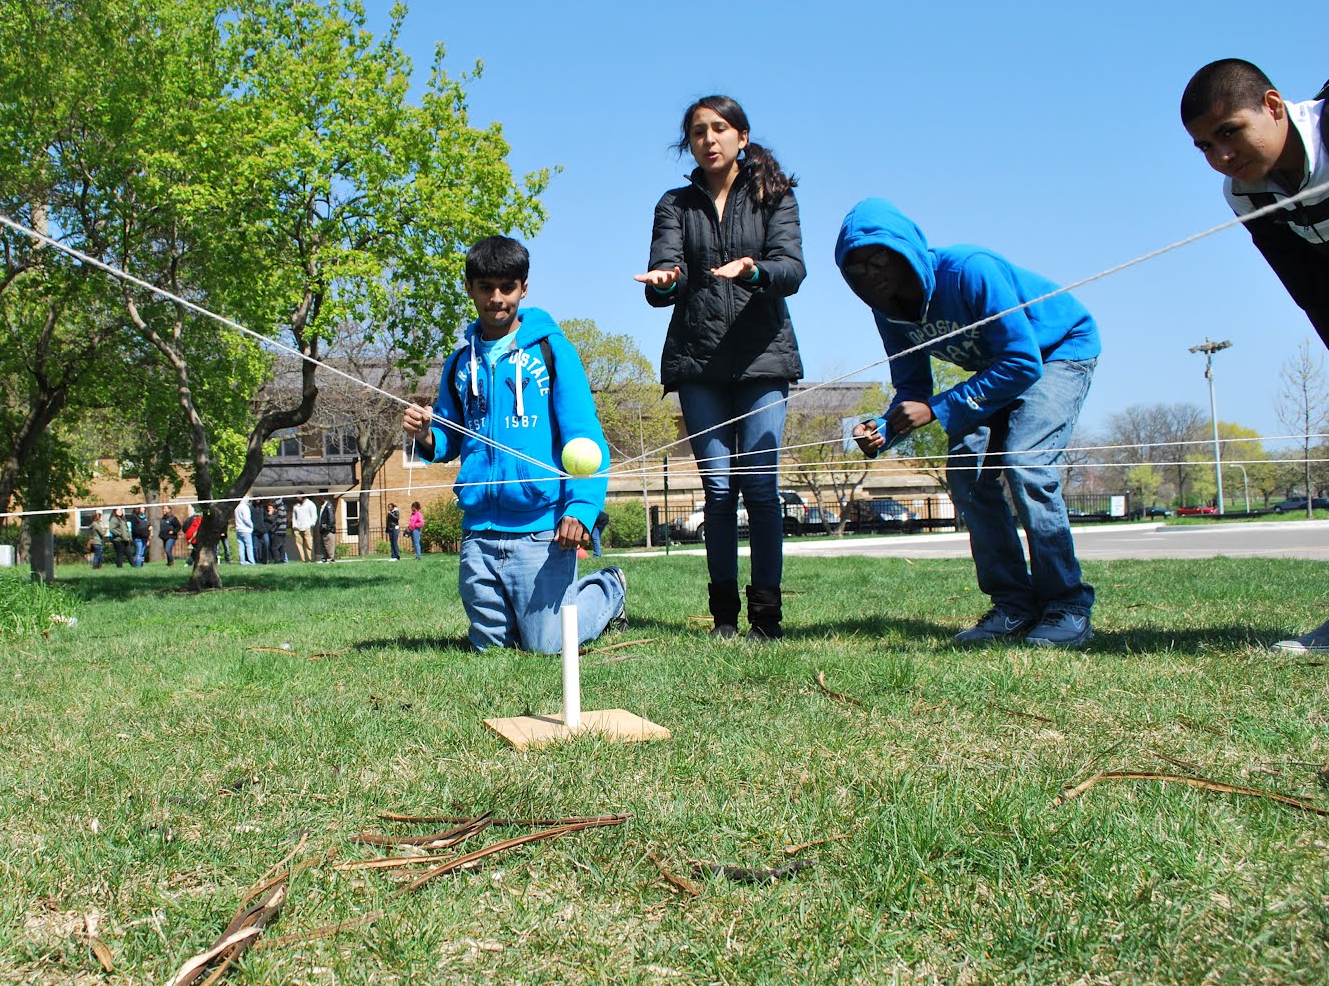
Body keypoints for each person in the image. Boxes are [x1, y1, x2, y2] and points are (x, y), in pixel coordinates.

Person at [836, 198, 1101, 648]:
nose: (871, 273)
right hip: (995, 368)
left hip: (1056, 351)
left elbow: (1022, 361)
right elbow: (911, 388)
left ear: (906, 250)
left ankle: (1067, 606)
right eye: (856, 268)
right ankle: (1015, 607)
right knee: (966, 476)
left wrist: (937, 410)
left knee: (1025, 462)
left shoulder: (970, 271)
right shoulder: (889, 313)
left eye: (879, 257)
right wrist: (884, 429)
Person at [633, 94, 805, 640]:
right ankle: (725, 619)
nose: (709, 139)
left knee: (760, 488)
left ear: (741, 137)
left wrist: (756, 273)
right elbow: (667, 270)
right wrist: (667, 282)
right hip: (698, 360)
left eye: (719, 128)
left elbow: (792, 269)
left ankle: (767, 618)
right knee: (718, 491)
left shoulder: (775, 195)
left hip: (762, 358)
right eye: (699, 132)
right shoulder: (674, 204)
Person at [403, 235, 626, 654]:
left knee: (547, 646)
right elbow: (451, 437)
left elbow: (585, 437)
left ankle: (608, 589)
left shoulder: (552, 351)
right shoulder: (458, 364)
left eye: (507, 287)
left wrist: (581, 508)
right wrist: (426, 434)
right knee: (490, 648)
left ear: (524, 288)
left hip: (541, 530)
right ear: (469, 288)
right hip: (479, 534)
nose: (496, 298)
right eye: (485, 287)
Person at [1182, 60, 1329, 655]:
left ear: (1273, 106)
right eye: (1203, 146)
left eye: (1229, 132)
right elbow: (1311, 287)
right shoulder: (1242, 192)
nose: (1220, 155)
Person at [290, 496, 315, 563]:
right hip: (297, 527)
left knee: (309, 544)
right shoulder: (296, 506)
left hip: (307, 527)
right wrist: (294, 526)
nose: (296, 499)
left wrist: (311, 524)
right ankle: (302, 560)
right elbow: (294, 517)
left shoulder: (310, 504)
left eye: (297, 497)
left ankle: (310, 559)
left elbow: (314, 516)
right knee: (299, 544)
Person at [234, 494, 255, 565]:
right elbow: (246, 519)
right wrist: (251, 525)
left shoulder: (237, 508)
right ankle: (251, 561)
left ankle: (242, 561)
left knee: (241, 545)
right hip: (246, 529)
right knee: (249, 545)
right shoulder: (245, 508)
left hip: (238, 529)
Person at [316, 497, 337, 562]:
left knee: (329, 544)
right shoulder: (324, 507)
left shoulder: (328, 506)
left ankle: (330, 559)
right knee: (324, 544)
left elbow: (331, 518)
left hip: (328, 530)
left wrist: (328, 527)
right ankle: (324, 558)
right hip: (323, 530)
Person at [266, 499, 287, 563]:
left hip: (279, 531)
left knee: (275, 547)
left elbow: (279, 520)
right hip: (283, 531)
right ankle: (282, 559)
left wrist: (274, 528)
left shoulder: (280, 509)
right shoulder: (283, 508)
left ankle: (277, 560)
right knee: (281, 547)